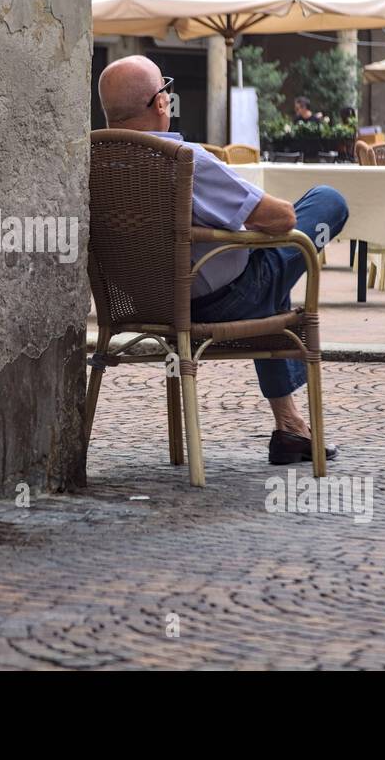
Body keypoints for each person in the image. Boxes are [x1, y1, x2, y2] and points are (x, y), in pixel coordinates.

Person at [97, 55, 348, 465]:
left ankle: (291, 428)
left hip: (145, 304)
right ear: (161, 103)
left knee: (270, 272)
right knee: (326, 201)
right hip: (222, 301)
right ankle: (291, 429)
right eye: (166, 89)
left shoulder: (94, 163)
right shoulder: (183, 158)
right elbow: (281, 218)